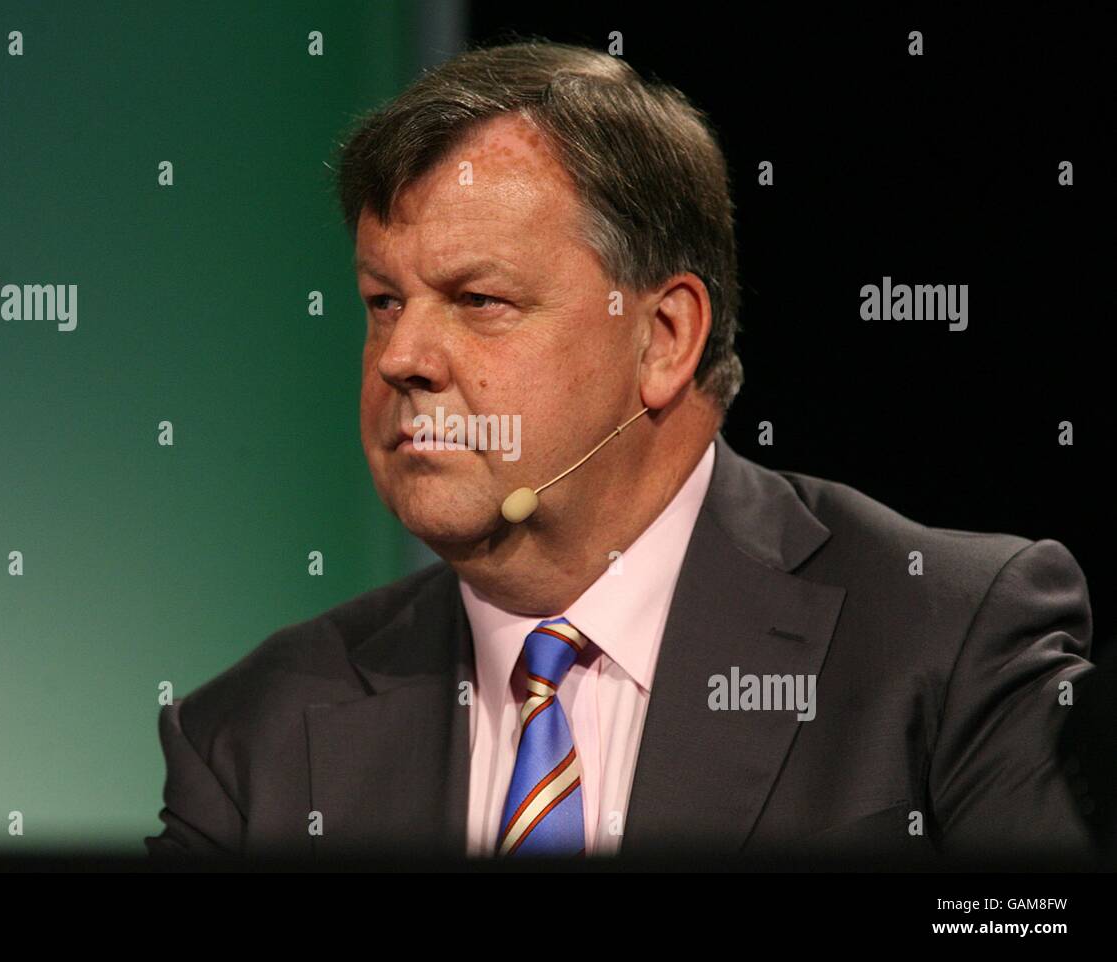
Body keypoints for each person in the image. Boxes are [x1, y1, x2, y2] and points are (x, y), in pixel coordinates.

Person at [145, 40, 1096, 864]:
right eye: (383, 301)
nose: (400, 358)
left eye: (479, 301)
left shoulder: (944, 640)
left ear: (664, 338)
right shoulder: (251, 740)